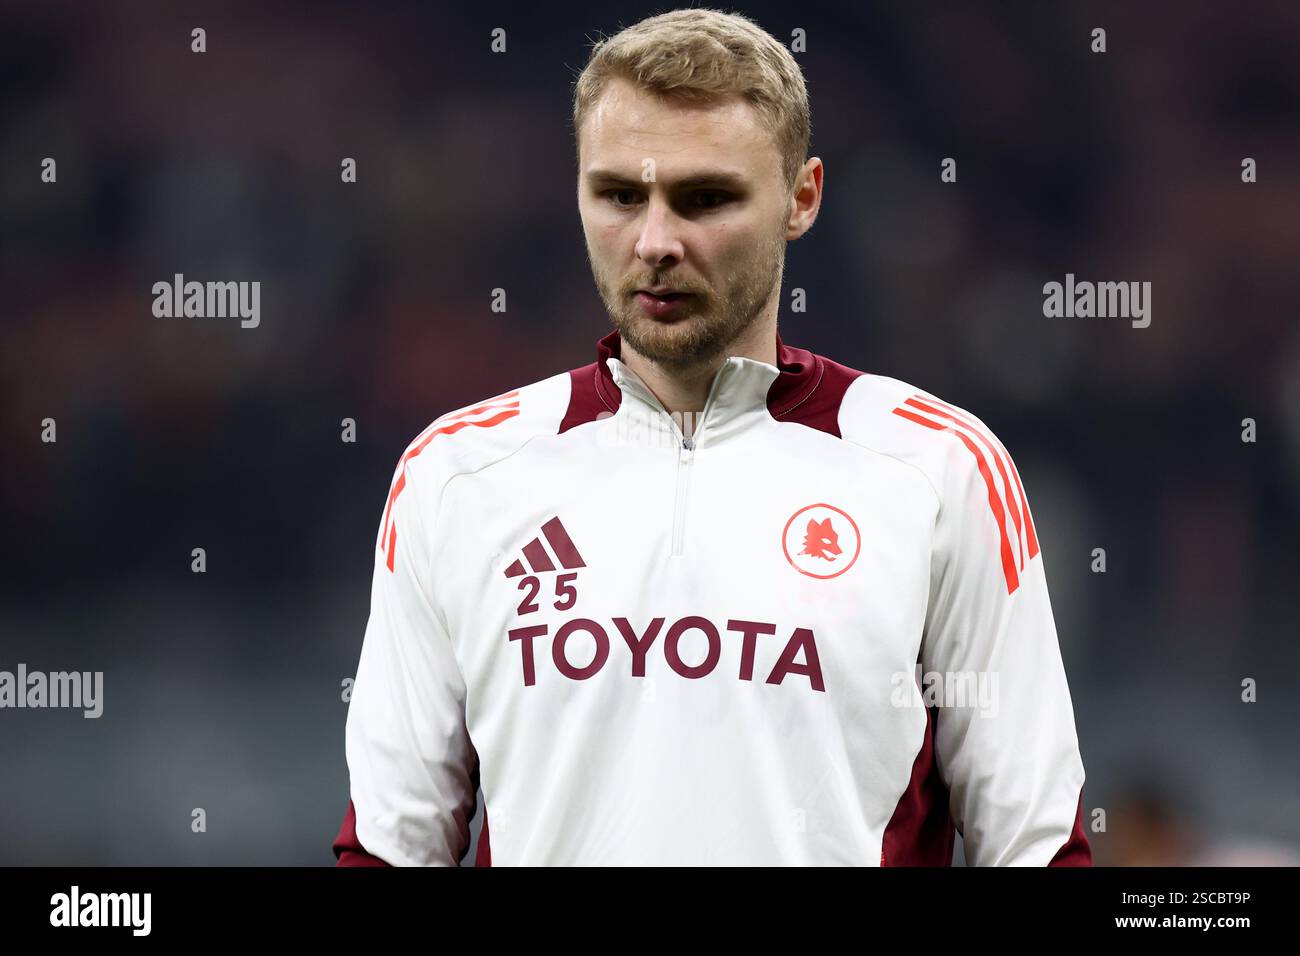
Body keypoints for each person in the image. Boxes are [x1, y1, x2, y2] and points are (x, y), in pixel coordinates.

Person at [332, 8, 1090, 866]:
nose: (655, 241)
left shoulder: (938, 469)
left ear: (801, 198)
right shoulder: (457, 474)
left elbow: (1035, 847)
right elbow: (389, 850)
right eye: (620, 195)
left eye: (706, 199)